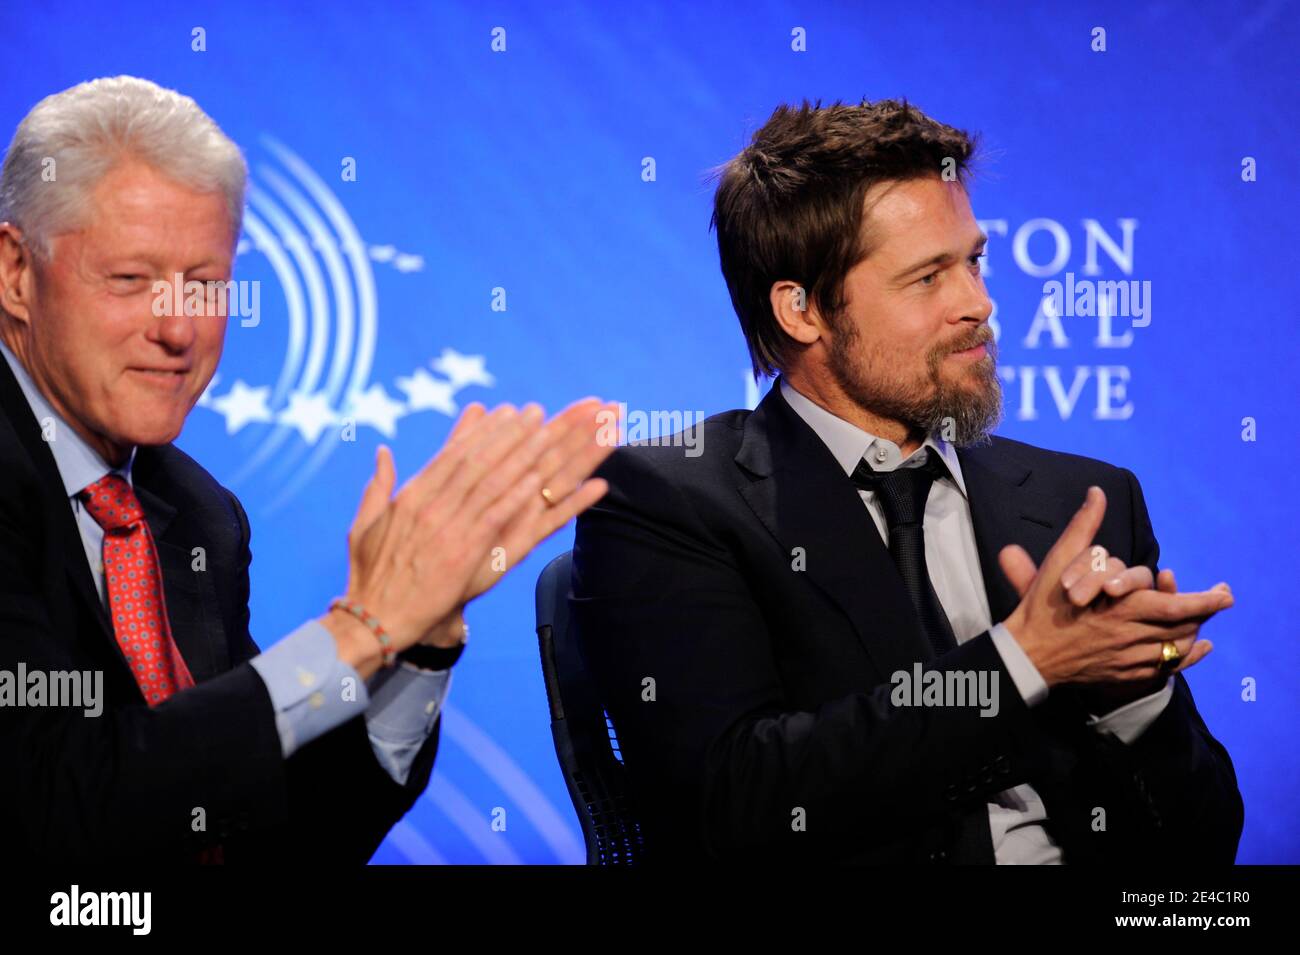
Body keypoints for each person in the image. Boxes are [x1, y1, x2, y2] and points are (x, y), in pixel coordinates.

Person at [570, 99, 1244, 864]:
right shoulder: (670, 500)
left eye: (975, 261)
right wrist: (1023, 661)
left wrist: (1133, 699)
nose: (979, 305)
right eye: (928, 277)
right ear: (801, 310)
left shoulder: (1083, 502)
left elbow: (1199, 857)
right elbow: (735, 800)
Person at [0, 75, 615, 864]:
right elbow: (63, 806)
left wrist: (416, 641)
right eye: (131, 280)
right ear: (16, 273)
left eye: (206, 284)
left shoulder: (195, 514)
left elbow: (277, 833)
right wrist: (357, 629)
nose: (179, 327)